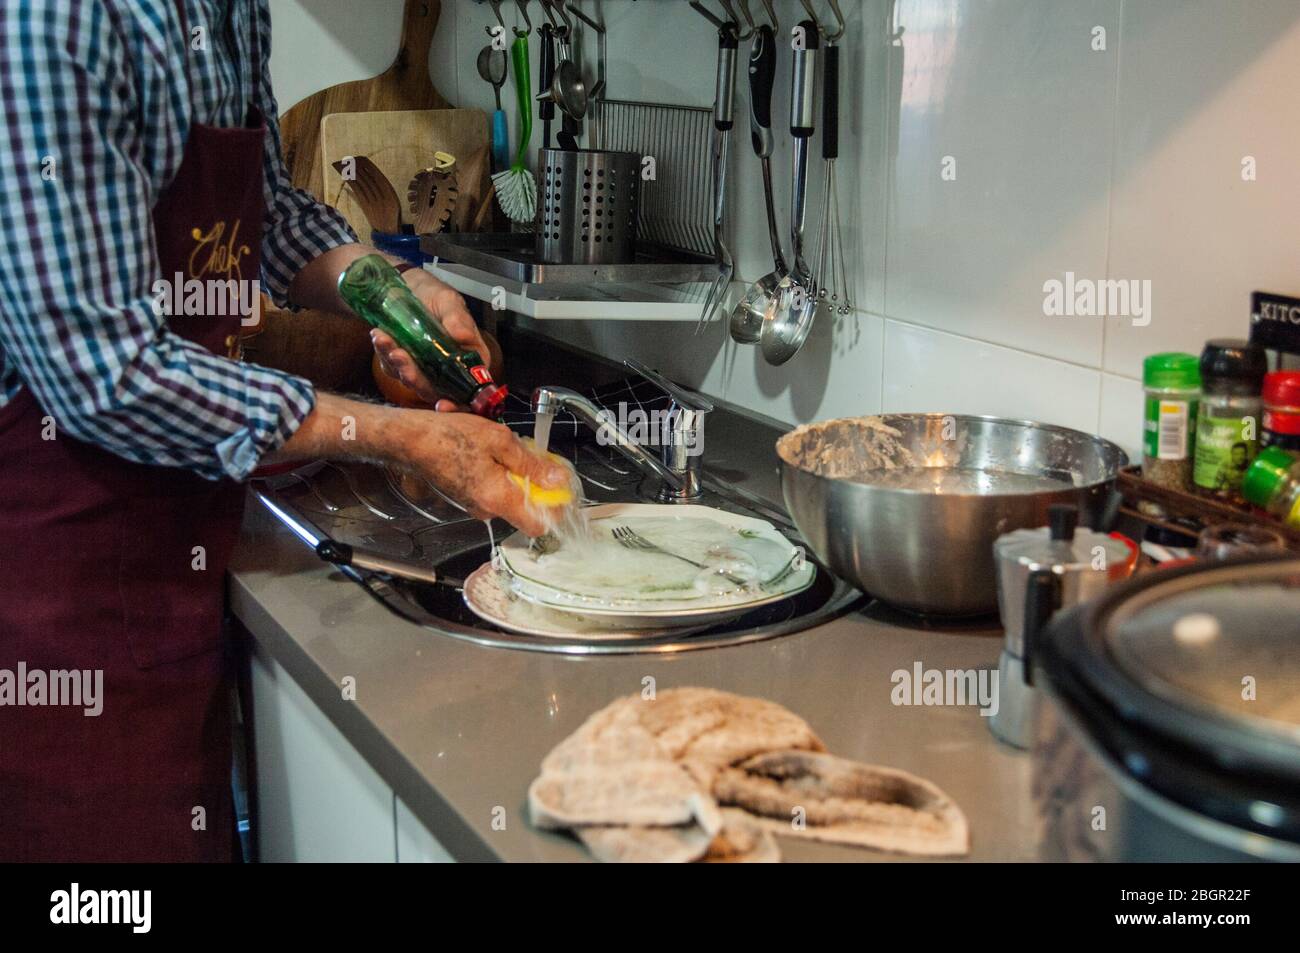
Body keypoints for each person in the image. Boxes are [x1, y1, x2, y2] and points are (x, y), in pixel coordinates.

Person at [0, 0, 563, 861]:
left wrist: (393, 293)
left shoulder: (229, 13)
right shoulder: (57, 21)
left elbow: (268, 210)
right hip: (52, 583)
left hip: (174, 549)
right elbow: (101, 374)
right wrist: (403, 436)